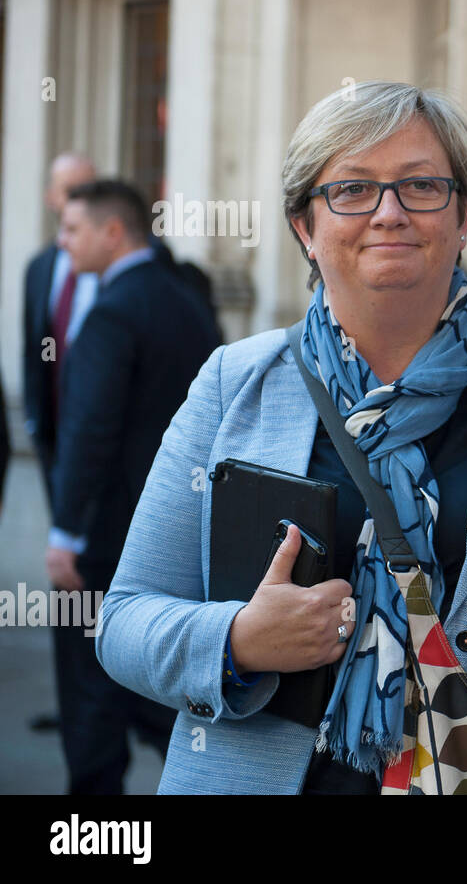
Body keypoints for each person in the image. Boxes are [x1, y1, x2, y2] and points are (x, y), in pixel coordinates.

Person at [96, 80, 467, 794]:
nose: (390, 212)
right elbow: (125, 617)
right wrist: (239, 639)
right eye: (353, 189)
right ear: (305, 226)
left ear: (462, 215)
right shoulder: (234, 383)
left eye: (422, 186)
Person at [45, 179, 223, 793]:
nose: (61, 244)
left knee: (90, 684)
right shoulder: (187, 298)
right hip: (182, 523)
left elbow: (88, 431)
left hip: (107, 530)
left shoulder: (114, 309)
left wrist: (65, 531)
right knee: (150, 674)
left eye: (72, 230)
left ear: (112, 231)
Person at [24, 153, 99, 507]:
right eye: (71, 191)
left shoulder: (112, 268)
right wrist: (34, 423)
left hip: (103, 438)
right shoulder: (39, 268)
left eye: (89, 190)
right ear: (51, 197)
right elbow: (35, 348)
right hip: (52, 436)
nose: (80, 200)